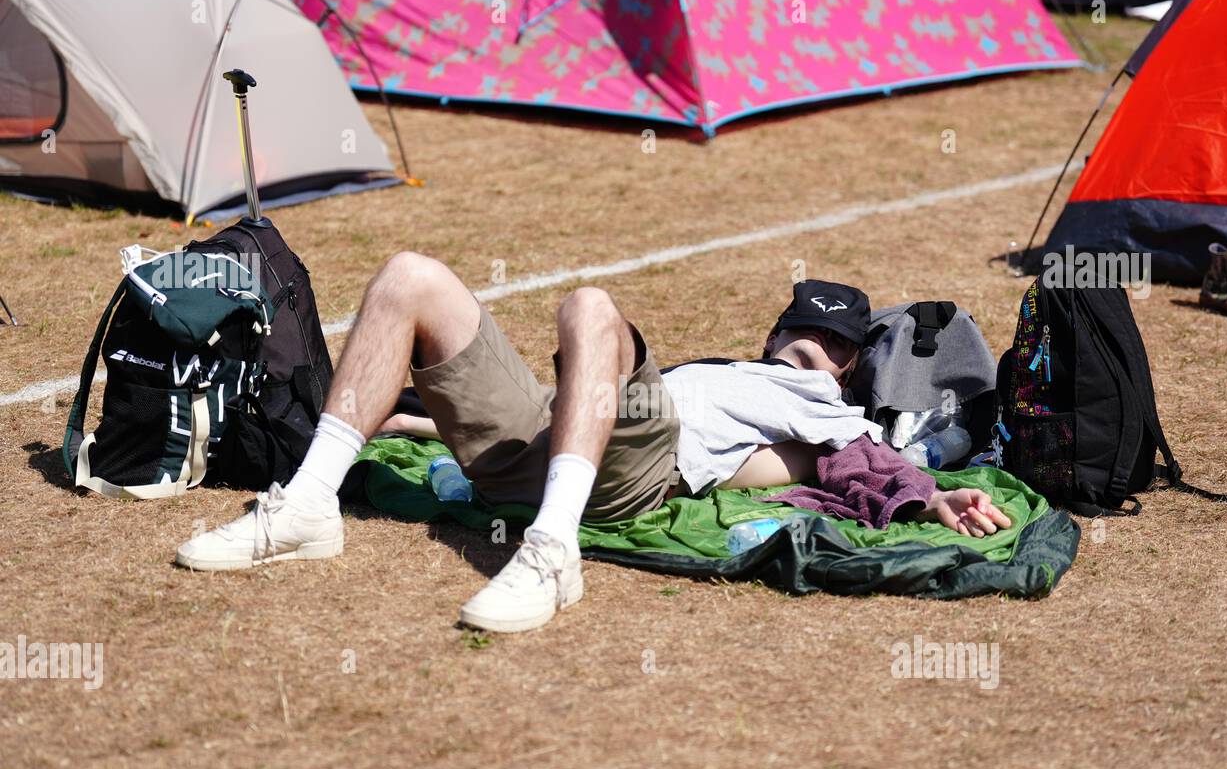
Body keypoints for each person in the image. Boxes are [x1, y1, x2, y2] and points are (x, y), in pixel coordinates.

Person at [177, 257, 1010, 631]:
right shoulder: (718, 366)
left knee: (590, 307)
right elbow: (568, 407)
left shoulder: (825, 403)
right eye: (796, 335)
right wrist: (416, 420)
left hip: (633, 472)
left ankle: (552, 553)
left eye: (824, 345)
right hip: (531, 451)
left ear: (850, 362)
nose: (808, 348)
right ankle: (309, 505)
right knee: (408, 275)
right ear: (775, 331)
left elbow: (866, 464)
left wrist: (934, 497)